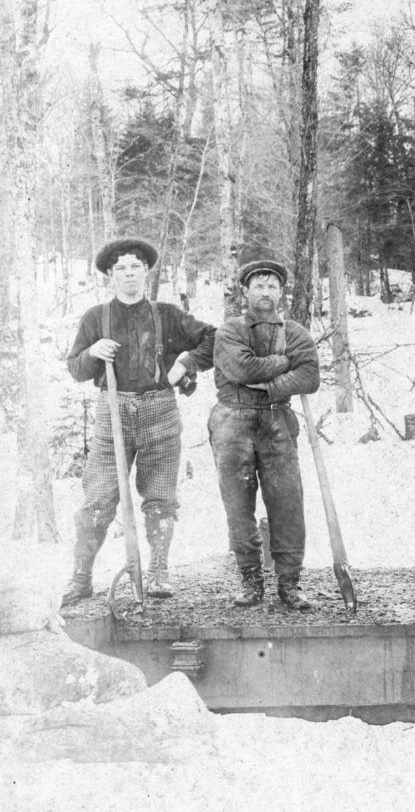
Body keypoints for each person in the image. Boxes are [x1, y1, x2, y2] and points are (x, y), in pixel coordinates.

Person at [61, 237, 215, 605]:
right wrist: (93, 353)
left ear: (146, 272)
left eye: (136, 267)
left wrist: (185, 364)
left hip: (159, 410)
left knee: (160, 498)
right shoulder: (96, 318)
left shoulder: (167, 315)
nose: (129, 273)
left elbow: (213, 339)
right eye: (121, 268)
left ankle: (159, 571)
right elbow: (75, 369)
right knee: (97, 499)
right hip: (112, 409)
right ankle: (81, 577)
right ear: (110, 276)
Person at [210, 259, 322, 610]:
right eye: (258, 285)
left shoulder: (295, 333)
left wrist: (269, 385)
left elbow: (310, 377)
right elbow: (240, 368)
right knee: (238, 504)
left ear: (281, 292)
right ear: (245, 291)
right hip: (232, 422)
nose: (265, 292)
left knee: (287, 502)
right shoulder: (230, 331)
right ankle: (250, 581)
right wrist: (283, 362)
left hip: (277, 422)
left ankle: (289, 583)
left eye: (272, 285)